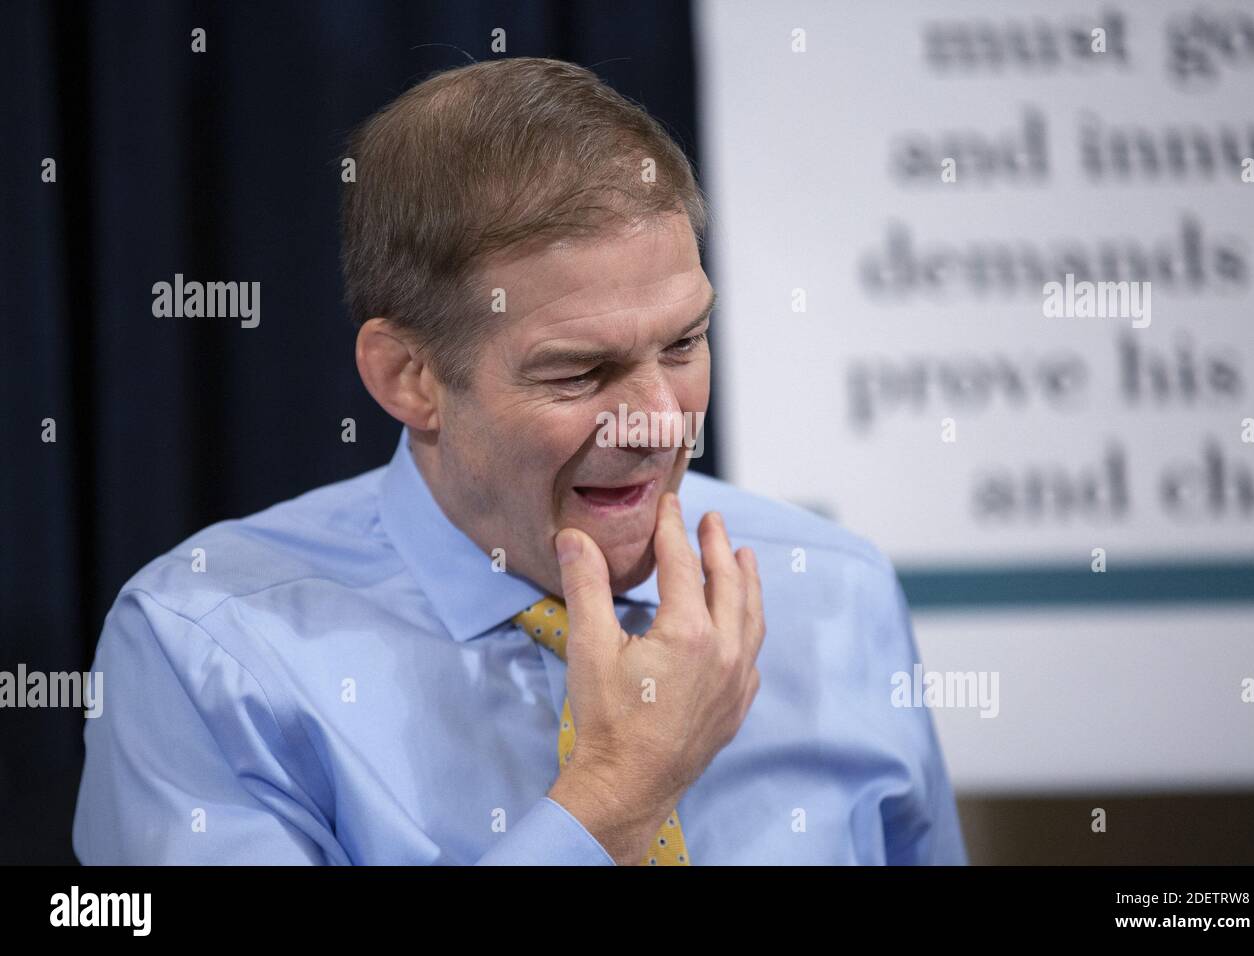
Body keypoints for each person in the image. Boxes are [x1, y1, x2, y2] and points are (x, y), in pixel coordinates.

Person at [72, 57, 967, 865]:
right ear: (409, 376)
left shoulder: (836, 593)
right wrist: (616, 795)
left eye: (684, 343)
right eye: (579, 372)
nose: (661, 424)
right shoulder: (207, 652)